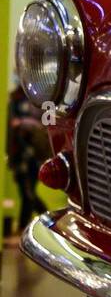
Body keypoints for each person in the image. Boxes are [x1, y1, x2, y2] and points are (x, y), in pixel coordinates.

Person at [6, 84, 50, 235]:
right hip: (19, 154)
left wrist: (24, 122)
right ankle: (48, 221)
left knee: (28, 194)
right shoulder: (15, 99)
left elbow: (45, 127)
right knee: (27, 193)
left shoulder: (42, 101)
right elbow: (11, 129)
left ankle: (24, 229)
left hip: (35, 156)